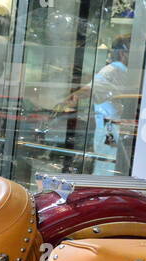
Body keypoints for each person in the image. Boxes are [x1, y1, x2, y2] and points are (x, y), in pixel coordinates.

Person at [57, 35, 135, 175]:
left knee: (110, 168)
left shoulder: (126, 71)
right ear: (123, 53)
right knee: (107, 170)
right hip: (109, 131)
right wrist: (68, 100)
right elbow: (90, 89)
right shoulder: (113, 70)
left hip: (116, 130)